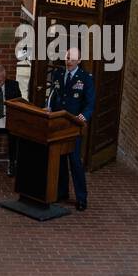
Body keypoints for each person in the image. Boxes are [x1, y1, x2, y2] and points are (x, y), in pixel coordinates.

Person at [49, 45, 95, 210]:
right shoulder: (59, 74)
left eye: (73, 59)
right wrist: (49, 109)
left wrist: (81, 119)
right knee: (59, 160)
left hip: (73, 126)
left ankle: (81, 198)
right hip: (58, 123)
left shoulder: (86, 79)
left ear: (79, 61)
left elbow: (89, 104)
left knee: (75, 161)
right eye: (68, 57)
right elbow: (54, 95)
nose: (69, 61)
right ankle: (61, 192)